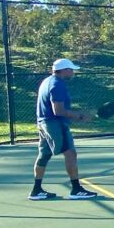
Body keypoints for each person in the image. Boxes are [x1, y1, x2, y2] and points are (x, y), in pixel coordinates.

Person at [31, 58, 98, 200]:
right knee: (70, 153)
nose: (73, 72)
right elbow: (58, 111)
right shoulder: (58, 85)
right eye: (71, 70)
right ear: (65, 70)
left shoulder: (47, 81)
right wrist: (80, 116)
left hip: (43, 123)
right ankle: (76, 189)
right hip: (55, 124)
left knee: (44, 155)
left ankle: (36, 190)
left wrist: (77, 115)